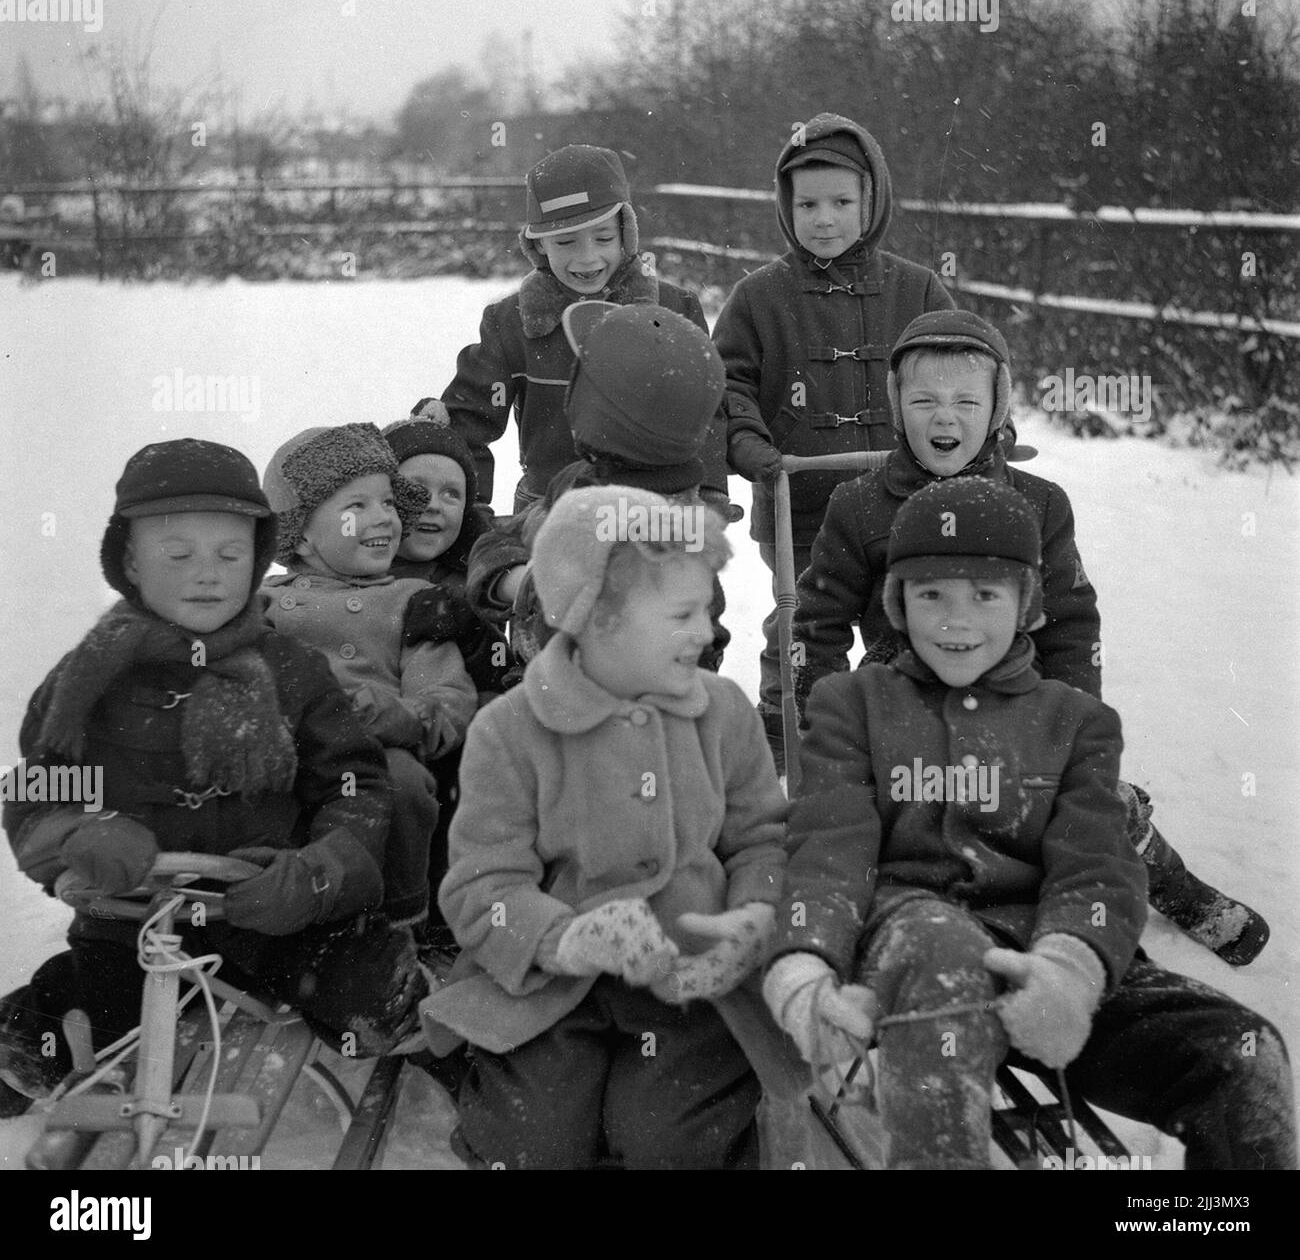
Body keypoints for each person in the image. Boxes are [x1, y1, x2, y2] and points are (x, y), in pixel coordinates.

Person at [763, 477, 1295, 1170]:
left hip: (1050, 963)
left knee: (1244, 1057)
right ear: (897, 603)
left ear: (1026, 604)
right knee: (939, 946)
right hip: (913, 954)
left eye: (985, 596)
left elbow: (1098, 865)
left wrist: (1071, 969)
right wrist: (805, 962)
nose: (956, 622)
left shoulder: (1076, 724)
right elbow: (830, 848)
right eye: (931, 596)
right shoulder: (852, 706)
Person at [792, 308, 1269, 964]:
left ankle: (1174, 885)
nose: (945, 417)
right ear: (897, 406)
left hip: (1019, 699)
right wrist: (833, 729)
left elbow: (1072, 625)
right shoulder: (860, 505)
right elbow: (816, 624)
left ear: (997, 407)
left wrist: (1074, 732)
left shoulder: (1039, 505)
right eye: (924, 399)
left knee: (1087, 803)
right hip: (906, 700)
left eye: (966, 400)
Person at [0, 440, 423, 1111]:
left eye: (230, 555)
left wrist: (315, 875)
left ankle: (386, 1003)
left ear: (256, 560)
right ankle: (34, 1046)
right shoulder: (89, 680)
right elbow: (34, 790)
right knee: (85, 1009)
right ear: (131, 561)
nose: (207, 575)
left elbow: (356, 785)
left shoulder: (292, 670)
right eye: (178, 555)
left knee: (367, 992)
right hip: (134, 922)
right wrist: (76, 836)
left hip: (275, 916)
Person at [422, 486, 789, 1169]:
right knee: (535, 1142)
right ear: (597, 618)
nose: (706, 634)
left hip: (689, 982)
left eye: (706, 609)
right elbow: (482, 886)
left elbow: (759, 841)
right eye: (681, 614)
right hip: (550, 989)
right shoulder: (509, 732)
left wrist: (750, 916)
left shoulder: (724, 713)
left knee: (670, 1143)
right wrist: (563, 937)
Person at [714, 112, 953, 754]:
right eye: (808, 203)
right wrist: (748, 441)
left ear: (871, 202)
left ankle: (889, 724)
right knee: (802, 617)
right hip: (802, 499)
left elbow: (965, 369)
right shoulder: (759, 298)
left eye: (842, 202)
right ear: (785, 207)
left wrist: (984, 432)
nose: (823, 219)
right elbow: (726, 384)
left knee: (894, 613)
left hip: (901, 500)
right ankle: (790, 721)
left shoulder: (916, 288)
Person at [261, 423, 477, 932]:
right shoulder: (263, 603)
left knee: (402, 784)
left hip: (372, 755)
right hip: (283, 749)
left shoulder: (411, 602)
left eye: (386, 502)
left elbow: (445, 702)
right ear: (301, 533)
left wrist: (389, 715)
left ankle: (399, 924)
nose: (384, 517)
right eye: (357, 507)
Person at [435, 143, 728, 513]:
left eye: (603, 238)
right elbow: (468, 420)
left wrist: (711, 490)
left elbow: (707, 408)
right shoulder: (511, 322)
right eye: (565, 242)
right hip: (547, 509)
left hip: (657, 508)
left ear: (627, 232)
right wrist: (463, 512)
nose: (587, 258)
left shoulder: (673, 310)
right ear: (538, 246)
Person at [464, 299, 732, 669]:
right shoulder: (578, 480)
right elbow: (501, 539)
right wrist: (522, 579)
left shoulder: (675, 531)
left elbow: (695, 648)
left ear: (592, 405)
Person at [380, 411, 516, 944]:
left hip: (453, 741)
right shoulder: (344, 570)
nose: (434, 506)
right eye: (415, 490)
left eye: (452, 494)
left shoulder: (476, 583)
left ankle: (446, 916)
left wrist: (471, 630)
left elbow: (511, 676)